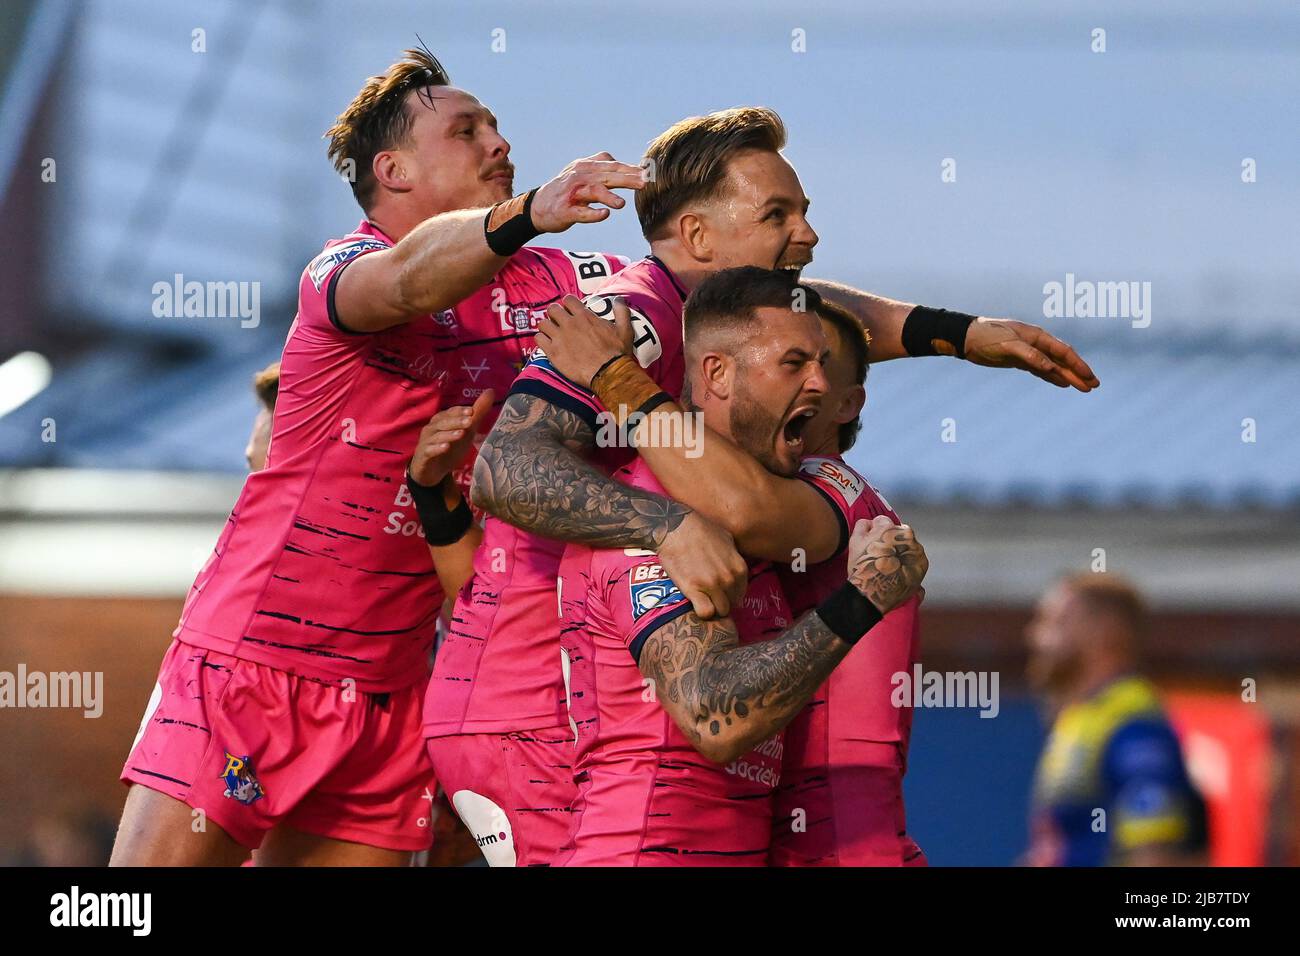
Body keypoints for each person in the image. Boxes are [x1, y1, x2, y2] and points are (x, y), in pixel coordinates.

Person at [427, 106, 1097, 864]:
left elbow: (825, 319)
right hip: (535, 708)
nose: (808, 235)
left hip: (607, 713)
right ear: (700, 239)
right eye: (778, 213)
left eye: (805, 212)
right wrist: (665, 526)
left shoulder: (721, 341)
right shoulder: (637, 318)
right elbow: (503, 468)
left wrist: (956, 333)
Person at [111, 46, 645, 867]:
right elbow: (407, 283)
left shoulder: (546, 283)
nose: (499, 142)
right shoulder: (344, 269)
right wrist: (534, 209)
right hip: (251, 667)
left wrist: (905, 324)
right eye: (468, 130)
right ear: (391, 170)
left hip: (393, 697)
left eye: (497, 126)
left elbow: (699, 292)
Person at [551, 267, 927, 865]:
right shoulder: (651, 515)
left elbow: (744, 507)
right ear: (717, 374)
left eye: (826, 366)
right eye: (795, 362)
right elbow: (713, 716)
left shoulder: (820, 497)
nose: (818, 382)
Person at [1024, 573, 1208, 866]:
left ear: (1103, 632)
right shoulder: (1078, 719)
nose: (1035, 637)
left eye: (1055, 623)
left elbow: (1153, 852)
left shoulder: (1133, 721)